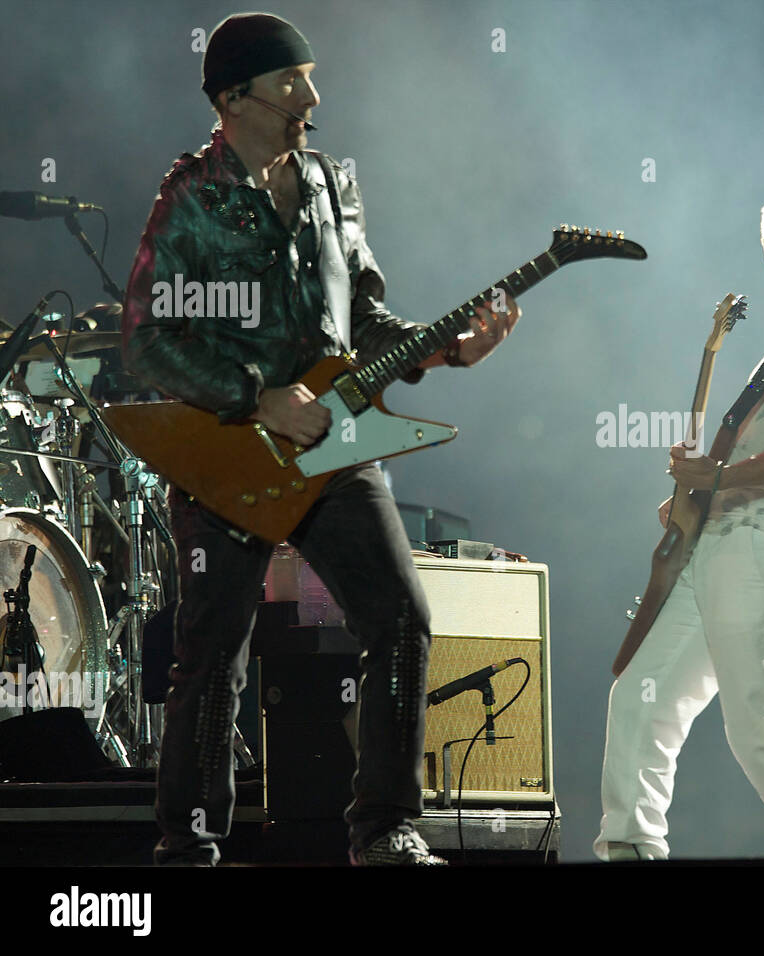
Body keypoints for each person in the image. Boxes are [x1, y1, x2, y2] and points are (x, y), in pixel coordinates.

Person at [121, 13, 519, 865]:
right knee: (212, 654)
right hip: (230, 451)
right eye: (292, 81)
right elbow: (148, 338)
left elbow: (365, 319)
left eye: (310, 77)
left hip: (336, 448)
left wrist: (449, 349)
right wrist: (255, 399)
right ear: (236, 97)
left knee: (403, 622)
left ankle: (385, 828)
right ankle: (188, 847)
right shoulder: (191, 193)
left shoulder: (334, 184)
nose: (313, 96)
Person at [594, 189, 764, 860]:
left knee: (761, 720)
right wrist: (701, 491)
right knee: (639, 699)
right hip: (723, 536)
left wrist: (718, 480)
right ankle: (628, 847)